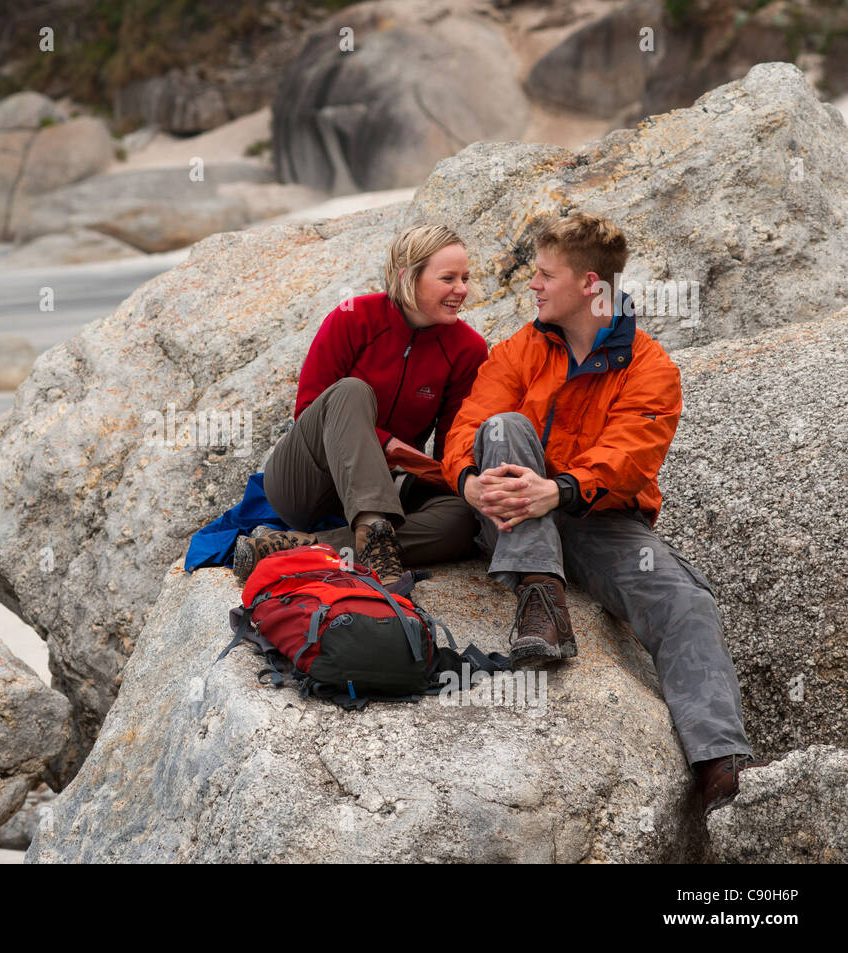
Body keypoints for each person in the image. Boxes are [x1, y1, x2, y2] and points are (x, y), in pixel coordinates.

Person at [440, 211, 768, 814]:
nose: (532, 286)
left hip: (596, 517)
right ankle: (541, 600)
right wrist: (466, 483)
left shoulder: (650, 368)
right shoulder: (520, 349)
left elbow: (631, 457)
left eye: (544, 275)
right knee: (505, 426)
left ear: (591, 284)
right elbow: (467, 427)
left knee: (685, 601)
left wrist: (560, 491)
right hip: (506, 510)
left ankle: (720, 767)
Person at [233, 223, 489, 587]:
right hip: (308, 481)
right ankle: (373, 532)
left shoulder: (468, 348)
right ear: (407, 277)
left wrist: (466, 482)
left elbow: (452, 447)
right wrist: (382, 442)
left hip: (389, 483)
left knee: (465, 519)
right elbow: (308, 408)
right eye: (448, 278)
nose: (462, 290)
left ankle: (302, 549)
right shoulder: (353, 317)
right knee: (351, 390)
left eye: (465, 277)